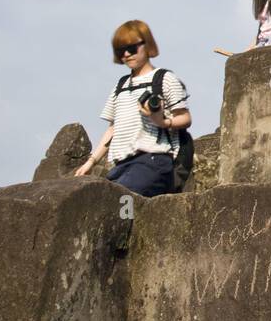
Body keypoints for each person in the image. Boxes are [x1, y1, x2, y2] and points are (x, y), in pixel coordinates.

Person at [74, 20, 191, 197]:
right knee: (102, 202)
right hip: (121, 165)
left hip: (153, 159)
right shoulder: (121, 85)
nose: (127, 54)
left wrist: (162, 122)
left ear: (147, 44)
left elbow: (185, 118)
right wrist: (90, 162)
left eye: (132, 48)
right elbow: (113, 128)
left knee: (122, 201)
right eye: (120, 50)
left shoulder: (165, 79)